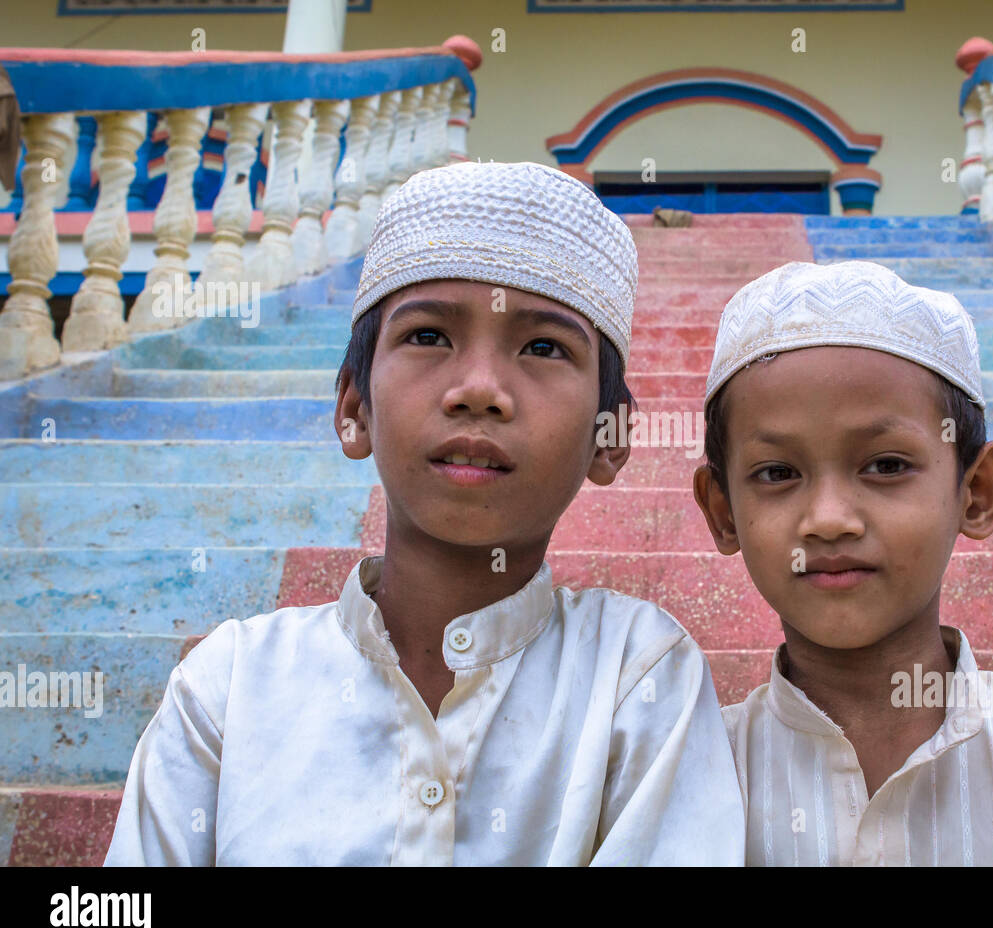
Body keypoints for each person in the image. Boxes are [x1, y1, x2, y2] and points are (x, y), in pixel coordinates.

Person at [104, 161, 745, 866]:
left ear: (612, 436)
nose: (479, 390)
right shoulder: (229, 687)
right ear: (353, 409)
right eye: (429, 336)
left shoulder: (637, 673)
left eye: (543, 348)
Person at [692, 259, 993, 866]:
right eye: (777, 473)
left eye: (886, 465)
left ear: (977, 492)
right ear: (723, 512)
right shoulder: (693, 772)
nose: (828, 518)